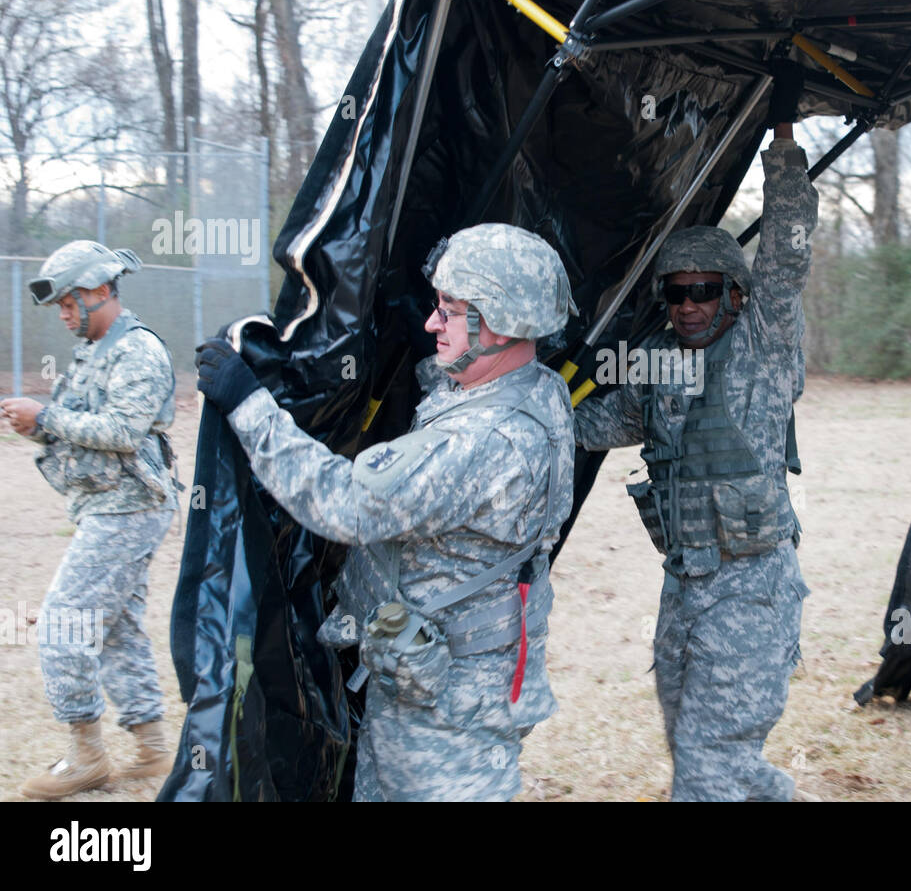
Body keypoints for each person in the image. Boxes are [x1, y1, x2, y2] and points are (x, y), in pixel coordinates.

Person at [194, 224, 575, 801]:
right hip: (444, 683)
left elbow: (342, 503)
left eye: (448, 311)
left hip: (448, 714)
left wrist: (248, 404)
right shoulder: (538, 388)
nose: (431, 324)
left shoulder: (481, 441)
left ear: (496, 319)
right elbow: (447, 395)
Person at [572, 62, 816, 800]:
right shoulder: (654, 368)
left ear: (735, 294)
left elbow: (790, 244)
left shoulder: (765, 338)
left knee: (710, 766)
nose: (687, 305)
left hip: (752, 590)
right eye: (676, 293)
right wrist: (521, 396)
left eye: (704, 290)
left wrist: (782, 135)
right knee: (700, 751)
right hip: (684, 588)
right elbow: (596, 423)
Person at [3, 241, 179, 799]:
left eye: (68, 302)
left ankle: (86, 756)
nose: (62, 314)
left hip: (129, 507)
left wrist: (47, 415)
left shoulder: (138, 350)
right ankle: (152, 749)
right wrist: (41, 426)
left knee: (63, 623)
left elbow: (125, 431)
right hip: (107, 505)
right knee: (118, 626)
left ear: (101, 290)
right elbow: (84, 421)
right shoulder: (94, 351)